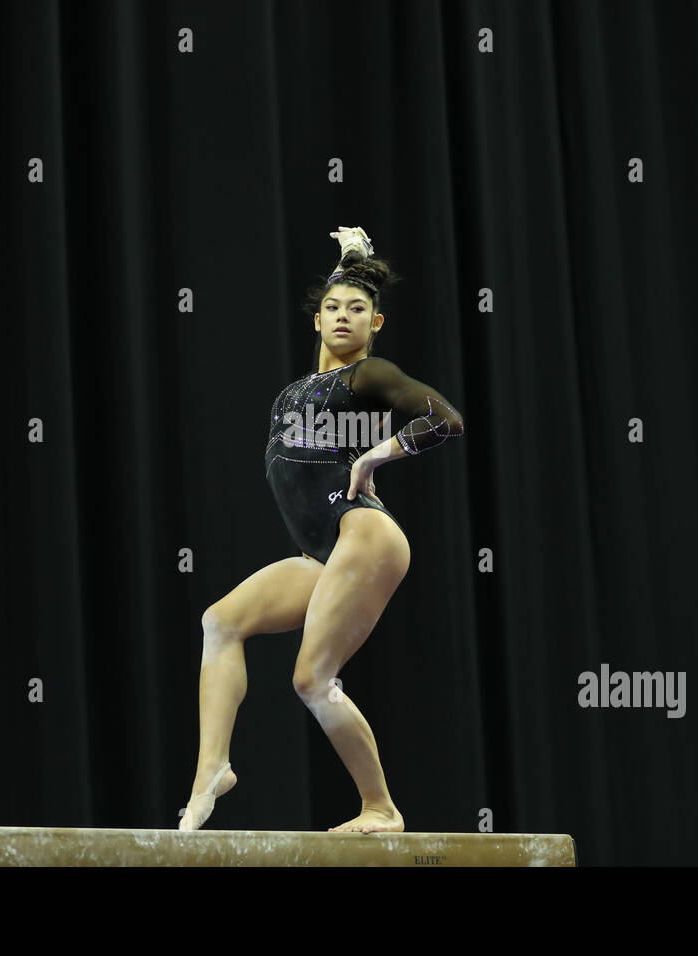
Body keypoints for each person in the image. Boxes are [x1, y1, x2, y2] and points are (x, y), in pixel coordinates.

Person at [179, 226, 464, 833]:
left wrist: (375, 454)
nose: (342, 317)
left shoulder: (368, 376)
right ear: (314, 321)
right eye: (331, 308)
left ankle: (380, 808)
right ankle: (213, 767)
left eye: (357, 310)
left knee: (312, 677)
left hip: (363, 533)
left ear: (376, 326)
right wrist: (351, 264)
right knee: (220, 621)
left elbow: (446, 420)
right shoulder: (296, 394)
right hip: (323, 550)